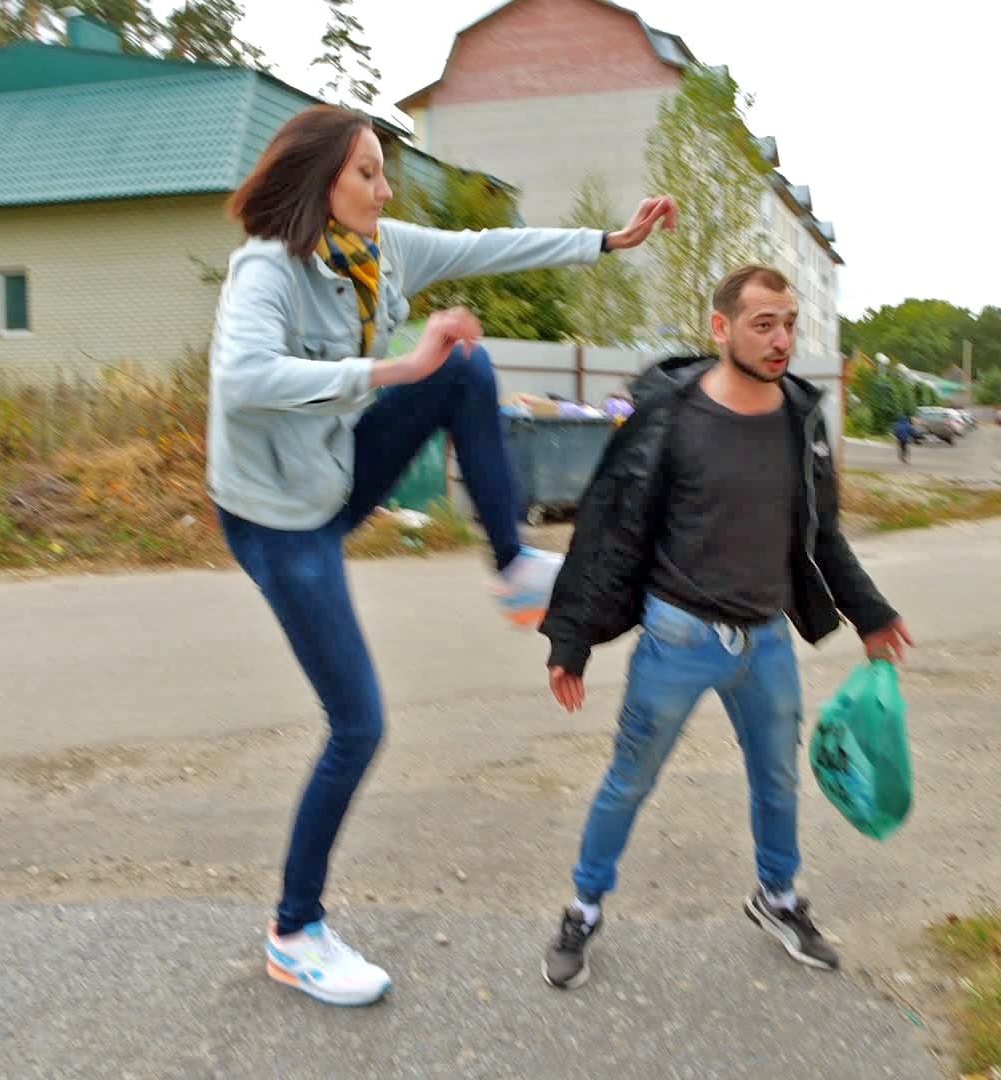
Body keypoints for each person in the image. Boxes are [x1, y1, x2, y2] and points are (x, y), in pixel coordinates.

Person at [208, 104, 677, 1007]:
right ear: (321, 183)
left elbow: (486, 247)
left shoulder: (382, 248)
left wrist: (609, 242)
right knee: (359, 726)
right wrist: (392, 371)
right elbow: (243, 378)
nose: (385, 192)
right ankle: (294, 932)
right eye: (368, 175)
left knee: (464, 361)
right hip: (275, 517)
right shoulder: (266, 273)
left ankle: (511, 567)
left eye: (385, 174)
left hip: (335, 472)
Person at [535, 265, 915, 990]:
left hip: (767, 640)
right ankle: (583, 908)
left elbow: (821, 533)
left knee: (777, 779)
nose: (782, 341)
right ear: (721, 328)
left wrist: (871, 613)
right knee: (629, 780)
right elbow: (610, 530)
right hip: (678, 639)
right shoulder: (671, 416)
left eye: (790, 324)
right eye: (763, 324)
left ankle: (777, 897)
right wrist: (571, 640)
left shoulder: (800, 418)